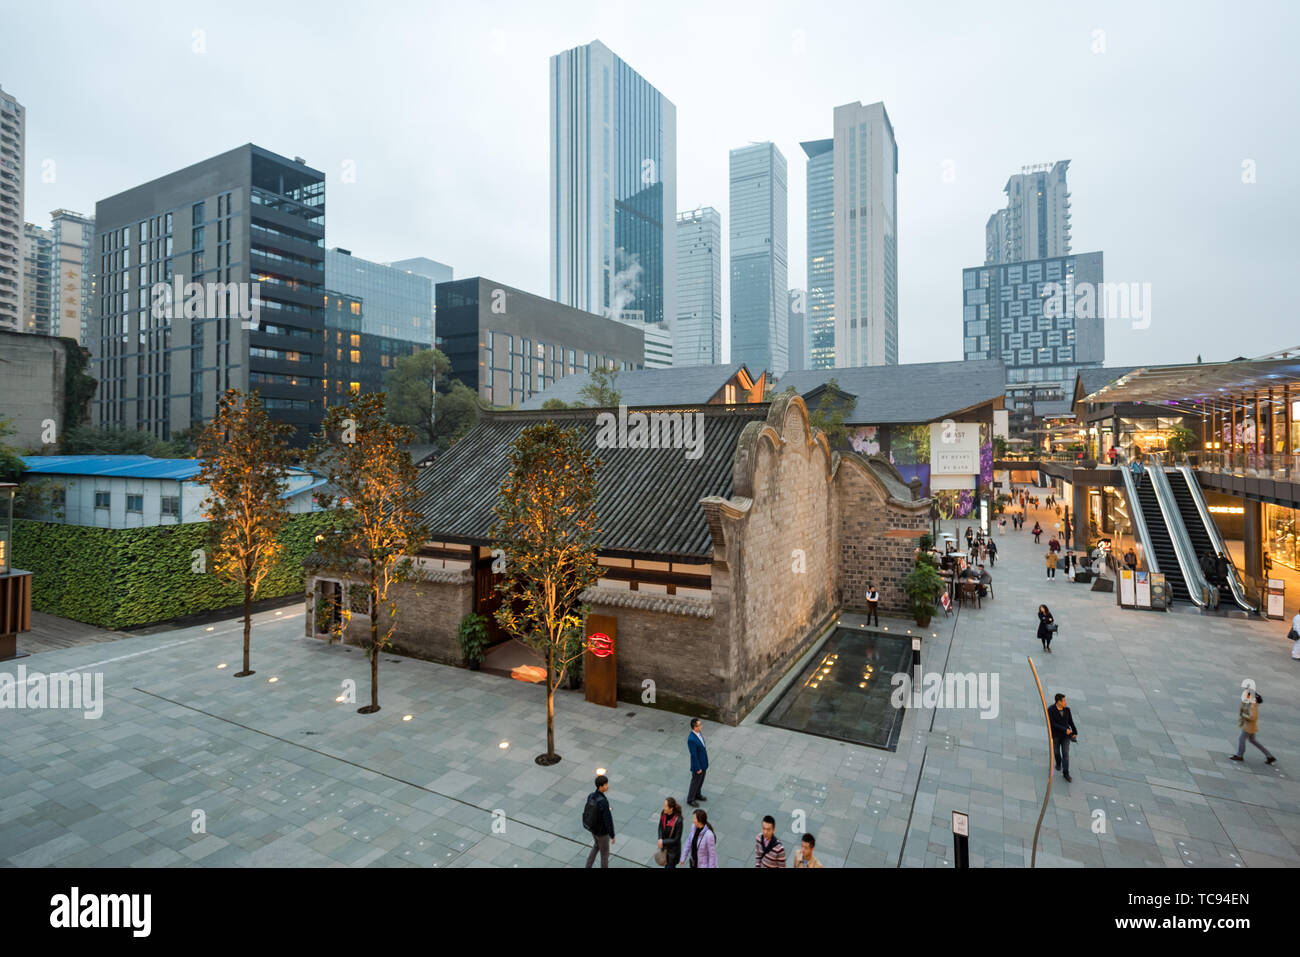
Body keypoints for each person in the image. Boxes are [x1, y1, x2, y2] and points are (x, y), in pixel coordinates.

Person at [1230, 689, 1276, 764]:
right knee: (1253, 740)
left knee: (1241, 739)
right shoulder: (1250, 703)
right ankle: (1269, 756)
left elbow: (1252, 717)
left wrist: (1243, 715)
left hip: (1248, 726)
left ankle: (1239, 755)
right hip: (1249, 726)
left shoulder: (1253, 705)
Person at [583, 774, 616, 867]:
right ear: (600, 787)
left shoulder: (591, 796)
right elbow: (608, 820)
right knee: (605, 855)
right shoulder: (603, 802)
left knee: (596, 846)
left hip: (593, 829)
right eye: (605, 784)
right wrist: (612, 835)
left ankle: (588, 866)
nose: (607, 786)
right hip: (602, 833)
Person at [1048, 693, 1078, 781]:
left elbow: (1070, 722)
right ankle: (1058, 763)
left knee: (1066, 754)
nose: (1065, 702)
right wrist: (1065, 729)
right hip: (1056, 736)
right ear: (1058, 702)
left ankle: (1066, 773)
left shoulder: (1067, 710)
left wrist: (1075, 732)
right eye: (1064, 701)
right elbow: (1052, 724)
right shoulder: (1051, 710)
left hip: (1065, 736)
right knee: (1056, 752)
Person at [686, 718, 709, 807]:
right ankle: (690, 799)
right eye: (699, 725)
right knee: (695, 781)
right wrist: (698, 767)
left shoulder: (699, 733)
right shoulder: (691, 739)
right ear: (695, 727)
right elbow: (694, 755)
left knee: (701, 780)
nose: (701, 726)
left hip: (703, 763)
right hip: (698, 766)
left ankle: (697, 794)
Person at [657, 797, 683, 868]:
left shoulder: (678, 821)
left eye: (665, 806)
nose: (664, 808)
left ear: (671, 809)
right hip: (665, 848)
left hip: (672, 852)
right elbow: (660, 827)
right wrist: (660, 838)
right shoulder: (664, 813)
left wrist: (663, 841)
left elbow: (676, 839)